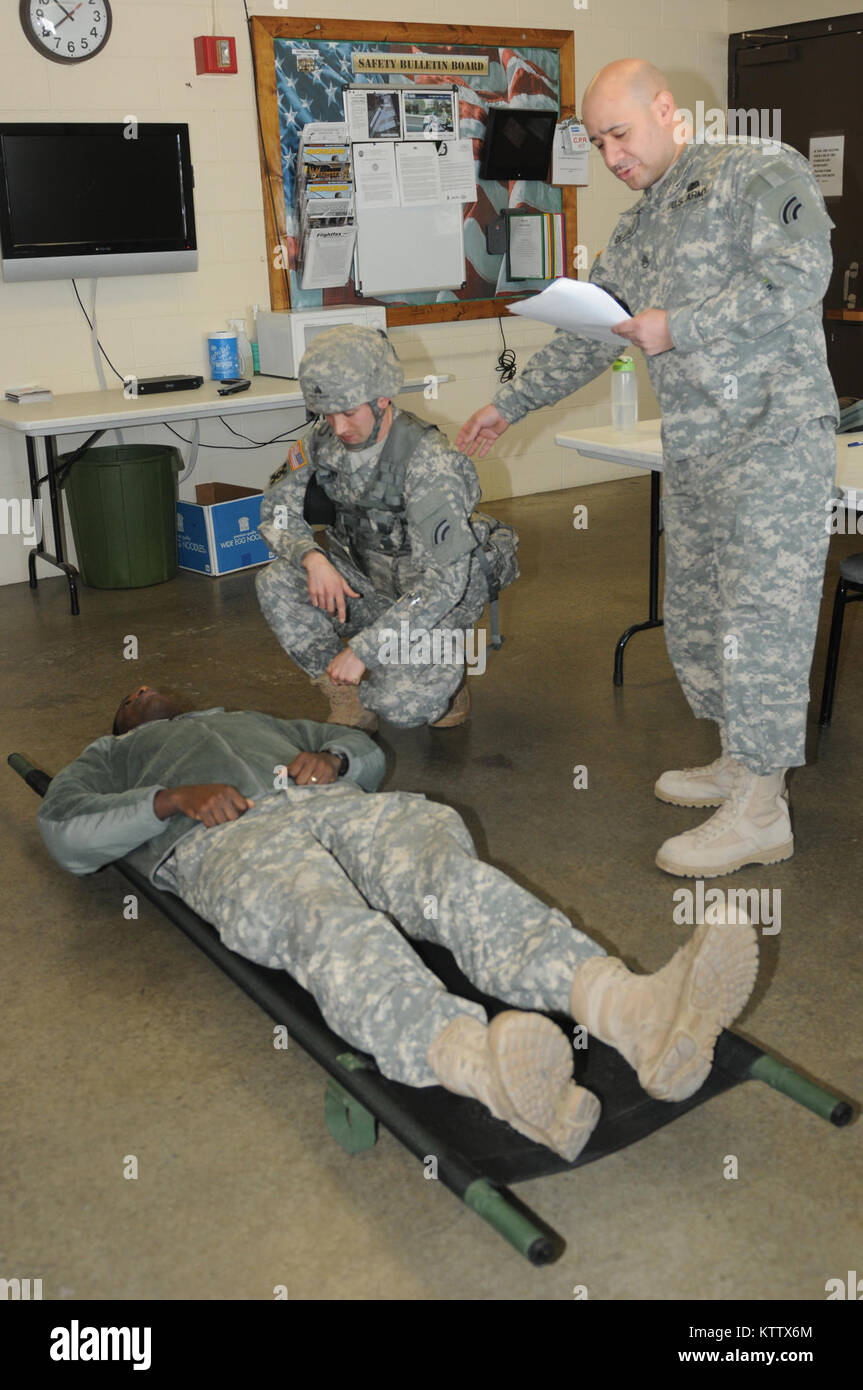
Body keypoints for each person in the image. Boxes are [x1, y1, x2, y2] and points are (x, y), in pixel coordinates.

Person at [36, 683, 759, 1164]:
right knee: (331, 928)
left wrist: (334, 755)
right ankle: (487, 1076)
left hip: (341, 808)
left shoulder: (246, 719)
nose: (144, 692)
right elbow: (66, 836)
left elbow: (367, 752)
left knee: (452, 880)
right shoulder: (110, 758)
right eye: (131, 697)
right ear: (124, 723)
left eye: (149, 688)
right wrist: (167, 801)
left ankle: (635, 1013)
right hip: (227, 841)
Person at [457, 59, 841, 879]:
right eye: (596, 143)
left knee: (761, 623)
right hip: (698, 446)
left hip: (773, 438)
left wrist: (684, 327)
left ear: (667, 111)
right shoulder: (641, 224)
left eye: (619, 135)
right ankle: (740, 761)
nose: (610, 156)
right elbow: (593, 332)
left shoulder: (758, 169)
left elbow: (800, 276)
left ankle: (763, 809)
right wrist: (510, 404)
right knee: (698, 611)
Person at [255, 325, 518, 732]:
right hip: (363, 584)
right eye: (327, 413)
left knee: (398, 705)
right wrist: (311, 557)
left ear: (382, 399)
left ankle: (447, 680)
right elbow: (275, 511)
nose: (338, 427)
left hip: (428, 603)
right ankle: (346, 696)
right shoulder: (323, 441)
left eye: (348, 412)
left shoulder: (430, 463)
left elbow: (445, 584)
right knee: (275, 582)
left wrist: (364, 650)